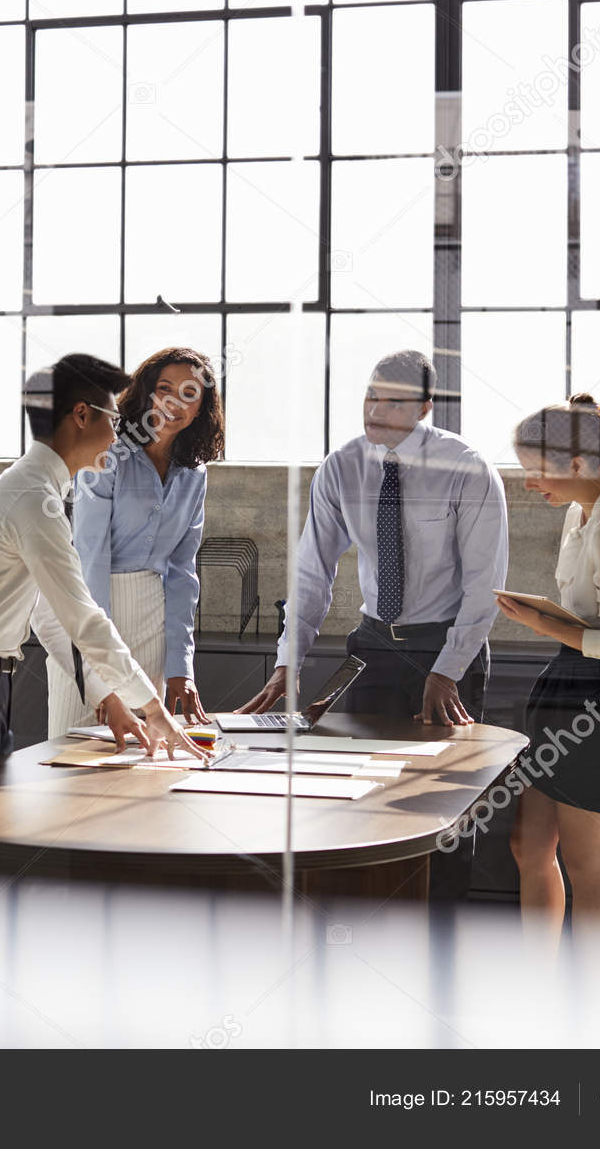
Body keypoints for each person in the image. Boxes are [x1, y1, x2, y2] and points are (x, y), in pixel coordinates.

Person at [0, 353, 208, 949]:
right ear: (80, 416)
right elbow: (83, 615)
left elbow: (46, 612)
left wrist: (106, 698)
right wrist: (153, 707)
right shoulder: (33, 499)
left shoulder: (39, 490)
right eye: (115, 418)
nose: (122, 430)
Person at [234, 349, 509, 900]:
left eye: (393, 400)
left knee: (443, 809)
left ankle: (441, 934)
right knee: (359, 795)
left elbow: (486, 585)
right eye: (370, 394)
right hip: (374, 647)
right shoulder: (342, 468)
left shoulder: (467, 468)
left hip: (444, 648)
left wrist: (448, 670)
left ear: (426, 407)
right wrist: (288, 662)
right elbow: (311, 574)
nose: (375, 408)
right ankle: (366, 935)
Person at [496, 393, 600, 956]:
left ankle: (590, 1000)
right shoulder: (580, 511)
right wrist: (543, 615)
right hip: (565, 685)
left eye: (534, 472)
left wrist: (542, 624)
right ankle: (538, 976)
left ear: (574, 464)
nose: (528, 485)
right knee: (528, 844)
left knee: (584, 859)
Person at [38, 346, 225, 738]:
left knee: (143, 758)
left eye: (190, 393)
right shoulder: (105, 455)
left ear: (202, 407)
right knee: (73, 753)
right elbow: (90, 557)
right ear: (145, 392)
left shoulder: (195, 474)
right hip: (90, 610)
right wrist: (103, 673)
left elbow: (181, 573)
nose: (175, 402)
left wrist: (179, 668)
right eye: (164, 388)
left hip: (151, 620)